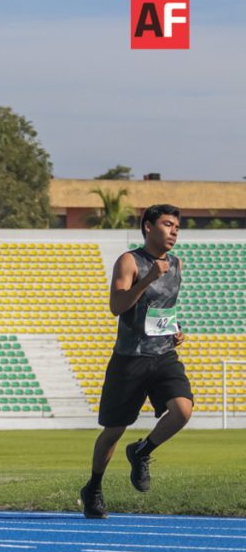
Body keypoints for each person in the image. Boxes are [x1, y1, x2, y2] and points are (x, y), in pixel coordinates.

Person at [80, 204, 192, 519]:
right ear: (148, 227)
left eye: (177, 227)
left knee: (183, 410)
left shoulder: (176, 264)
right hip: (130, 358)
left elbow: (163, 308)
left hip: (163, 354)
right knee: (114, 430)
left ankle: (142, 451)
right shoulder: (130, 261)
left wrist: (175, 328)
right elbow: (117, 306)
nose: (174, 231)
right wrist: (146, 280)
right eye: (168, 224)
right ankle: (94, 487)